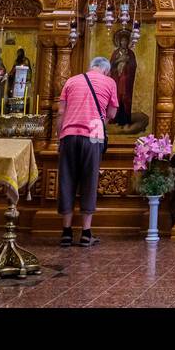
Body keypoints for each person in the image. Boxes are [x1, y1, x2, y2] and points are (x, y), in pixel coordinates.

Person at [56, 56, 119, 247]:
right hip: (93, 133)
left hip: (68, 133)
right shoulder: (109, 82)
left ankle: (66, 233)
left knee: (66, 181)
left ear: (90, 67)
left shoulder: (71, 81)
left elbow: (60, 112)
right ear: (106, 71)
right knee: (89, 181)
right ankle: (85, 233)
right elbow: (111, 114)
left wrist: (60, 137)